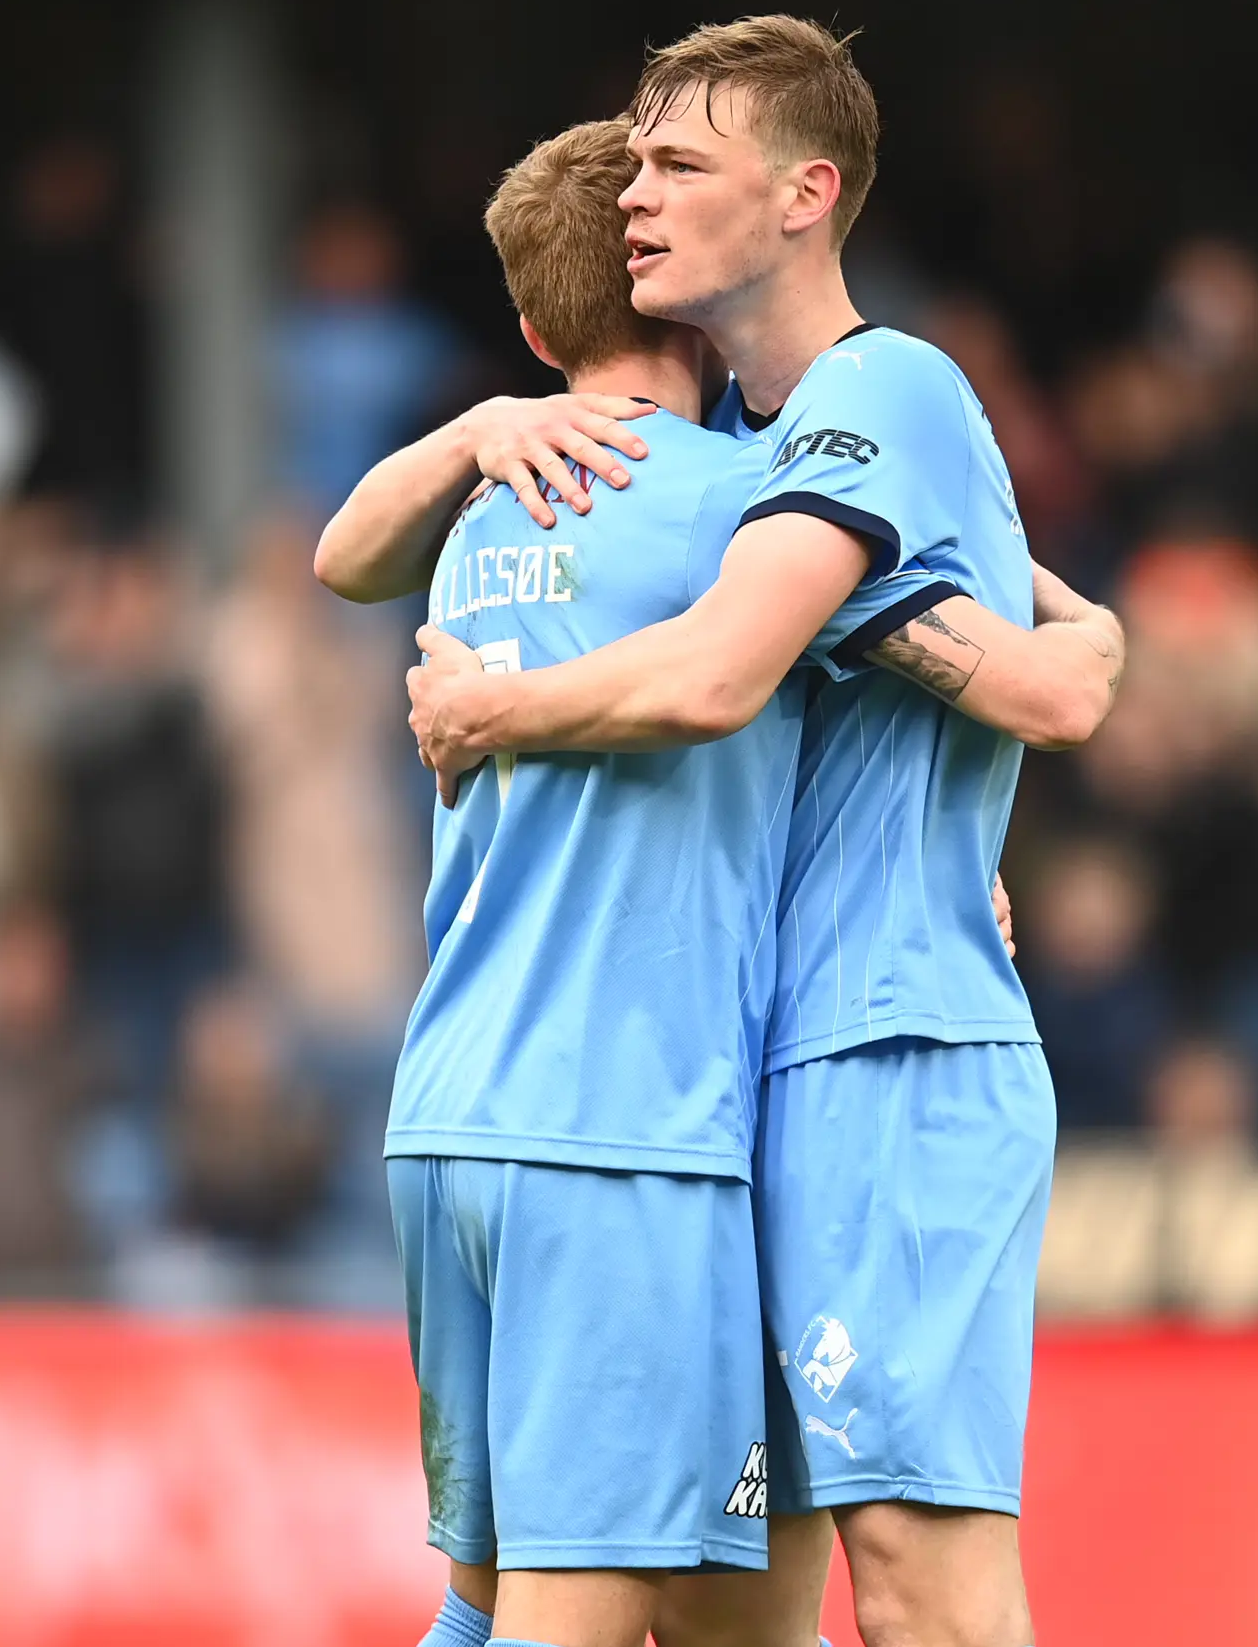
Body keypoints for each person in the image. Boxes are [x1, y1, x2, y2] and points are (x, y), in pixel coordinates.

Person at [326, 20, 1126, 1647]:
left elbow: (775, 670)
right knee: (725, 1611)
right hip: (728, 1088)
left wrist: (492, 708)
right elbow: (1025, 648)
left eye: (680, 164)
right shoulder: (740, 472)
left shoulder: (883, 387)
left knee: (909, 1579)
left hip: (875, 1053)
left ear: (805, 195)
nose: (643, 197)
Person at [319, 117, 795, 1647]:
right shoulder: (747, 511)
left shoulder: (474, 520)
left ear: (532, 331)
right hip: (619, 1132)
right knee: (576, 1612)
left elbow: (338, 556)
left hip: (452, 1116)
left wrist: (472, 430)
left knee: (491, 1594)